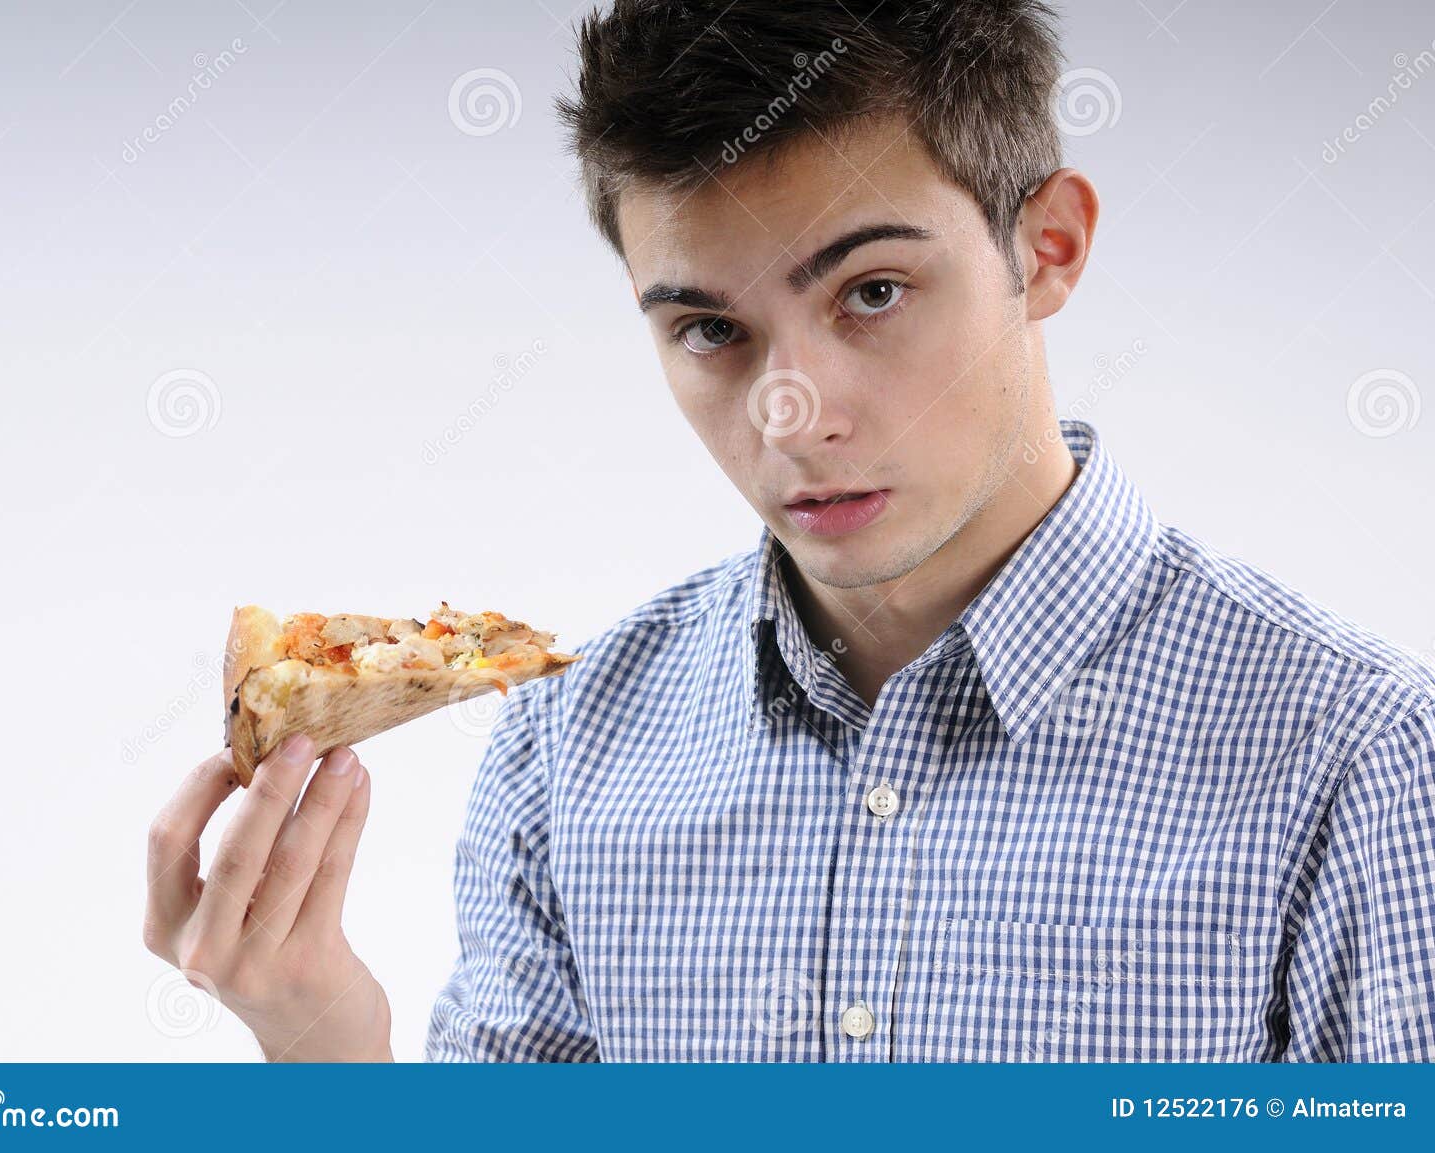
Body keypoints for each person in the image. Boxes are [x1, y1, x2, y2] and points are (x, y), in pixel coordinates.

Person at [144, 0, 1435, 1062]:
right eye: (711, 328)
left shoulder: (1358, 757)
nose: (791, 412)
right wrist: (322, 1037)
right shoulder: (567, 739)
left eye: (872, 292)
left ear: (1046, 247)